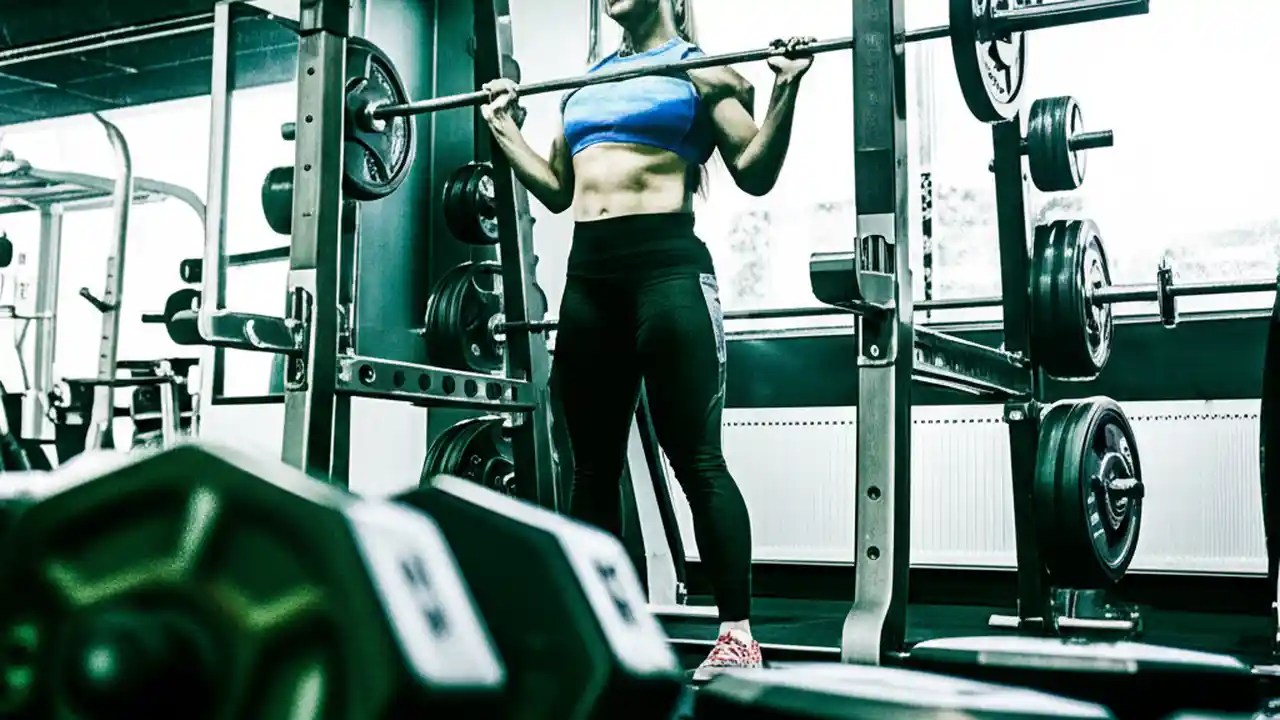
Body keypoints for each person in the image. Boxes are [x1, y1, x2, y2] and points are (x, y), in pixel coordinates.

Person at [480, 0, 813, 681]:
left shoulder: (702, 70)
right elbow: (553, 189)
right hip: (589, 276)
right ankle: (605, 625)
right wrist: (503, 128)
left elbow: (754, 169)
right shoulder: (586, 81)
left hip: (667, 270)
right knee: (592, 471)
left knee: (696, 459)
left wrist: (786, 89)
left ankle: (738, 635)